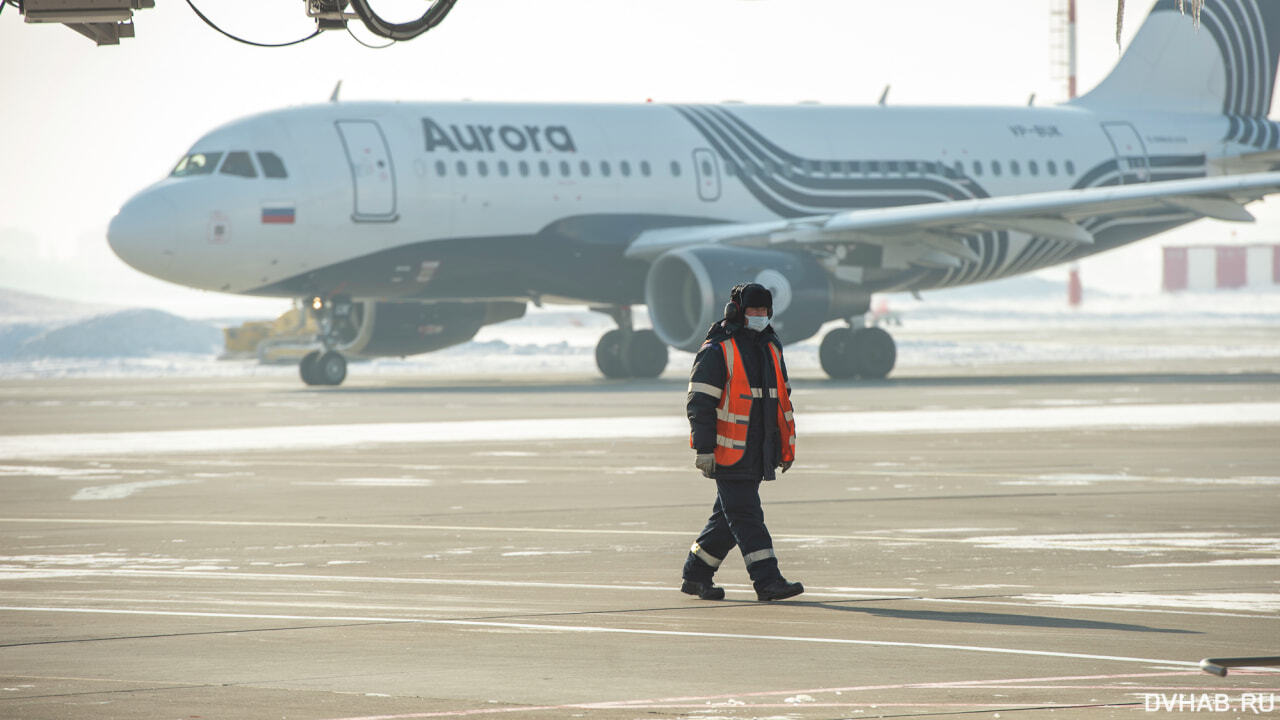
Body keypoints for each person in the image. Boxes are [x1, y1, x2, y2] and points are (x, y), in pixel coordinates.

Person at [681, 282, 803, 602]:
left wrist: (784, 448)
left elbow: (781, 401)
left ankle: (696, 575)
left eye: (764, 311)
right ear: (737, 311)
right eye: (753, 311)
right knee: (747, 517)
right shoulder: (718, 350)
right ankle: (767, 580)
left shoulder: (771, 347)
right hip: (726, 453)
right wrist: (704, 449)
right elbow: (699, 403)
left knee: (727, 519)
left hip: (758, 451)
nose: (759, 316)